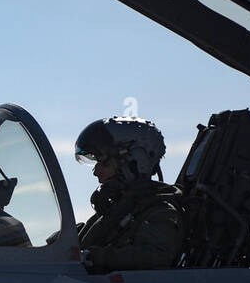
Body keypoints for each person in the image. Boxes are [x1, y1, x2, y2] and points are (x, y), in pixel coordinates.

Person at [73, 116, 185, 273]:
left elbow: (156, 256)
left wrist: (99, 257)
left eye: (104, 163)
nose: (96, 172)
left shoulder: (161, 213)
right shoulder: (115, 211)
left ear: (135, 161)